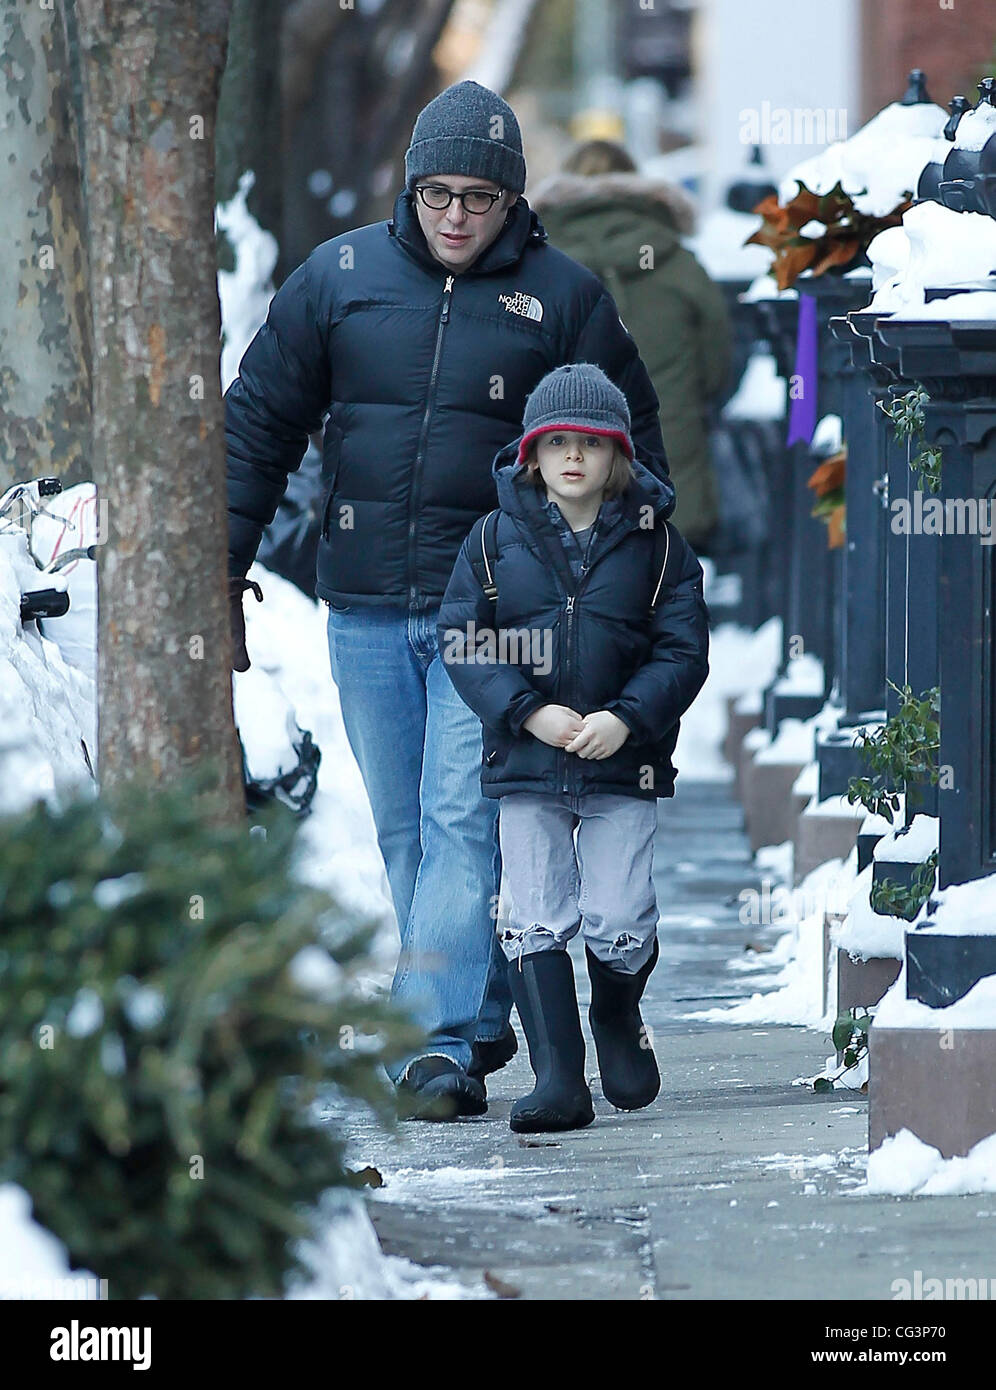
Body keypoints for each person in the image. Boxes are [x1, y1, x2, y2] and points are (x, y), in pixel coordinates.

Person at [225, 81, 675, 1121]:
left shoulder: (564, 300)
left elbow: (637, 455)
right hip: (365, 604)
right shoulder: (337, 279)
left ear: (514, 200)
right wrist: (224, 566)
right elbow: (255, 427)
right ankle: (474, 1022)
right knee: (402, 833)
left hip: (495, 621)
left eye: (480, 196)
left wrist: (606, 605)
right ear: (411, 189)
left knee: (461, 820)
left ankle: (422, 1039)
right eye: (439, 194)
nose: (458, 216)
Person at [437, 364, 709, 1132]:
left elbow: (682, 651)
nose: (573, 457)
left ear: (617, 452)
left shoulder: (657, 546)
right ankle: (558, 1075)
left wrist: (627, 718)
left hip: (623, 762)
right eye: (556, 442)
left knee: (620, 910)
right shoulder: (495, 539)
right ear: (532, 453)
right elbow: (464, 638)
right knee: (534, 910)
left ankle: (618, 1018)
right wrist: (526, 711)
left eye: (590, 443)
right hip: (528, 763)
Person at [531, 140, 732, 550]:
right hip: (668, 468)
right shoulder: (677, 262)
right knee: (666, 593)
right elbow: (718, 366)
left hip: (562, 475)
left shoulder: (537, 268)